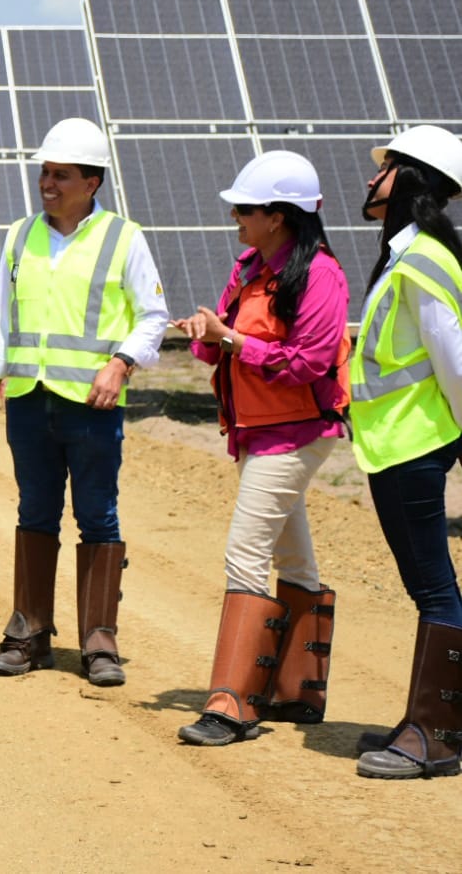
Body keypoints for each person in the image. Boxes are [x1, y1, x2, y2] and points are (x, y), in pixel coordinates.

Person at [0, 117, 169, 686]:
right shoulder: (19, 235)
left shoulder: (124, 238)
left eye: (61, 174)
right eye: (44, 173)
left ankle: (99, 643)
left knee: (97, 516)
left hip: (92, 406)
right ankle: (28, 634)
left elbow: (153, 316)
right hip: (30, 402)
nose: (47, 183)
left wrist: (120, 362)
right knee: (34, 513)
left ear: (92, 182)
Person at [170, 151, 350, 747]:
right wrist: (206, 336)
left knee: (245, 552)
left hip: (296, 434)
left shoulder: (321, 276)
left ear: (279, 216)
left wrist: (235, 342)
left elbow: (311, 362)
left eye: (245, 208)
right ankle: (298, 691)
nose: (234, 217)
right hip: (256, 432)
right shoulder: (248, 266)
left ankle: (232, 703)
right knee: (293, 558)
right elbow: (222, 345)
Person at [346, 125, 462, 780]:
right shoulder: (408, 253)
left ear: (411, 178)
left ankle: (434, 737)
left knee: (435, 592)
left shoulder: (419, 260)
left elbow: (453, 363)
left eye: (383, 167)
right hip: (397, 445)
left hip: (412, 446)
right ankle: (426, 720)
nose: (371, 178)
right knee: (430, 591)